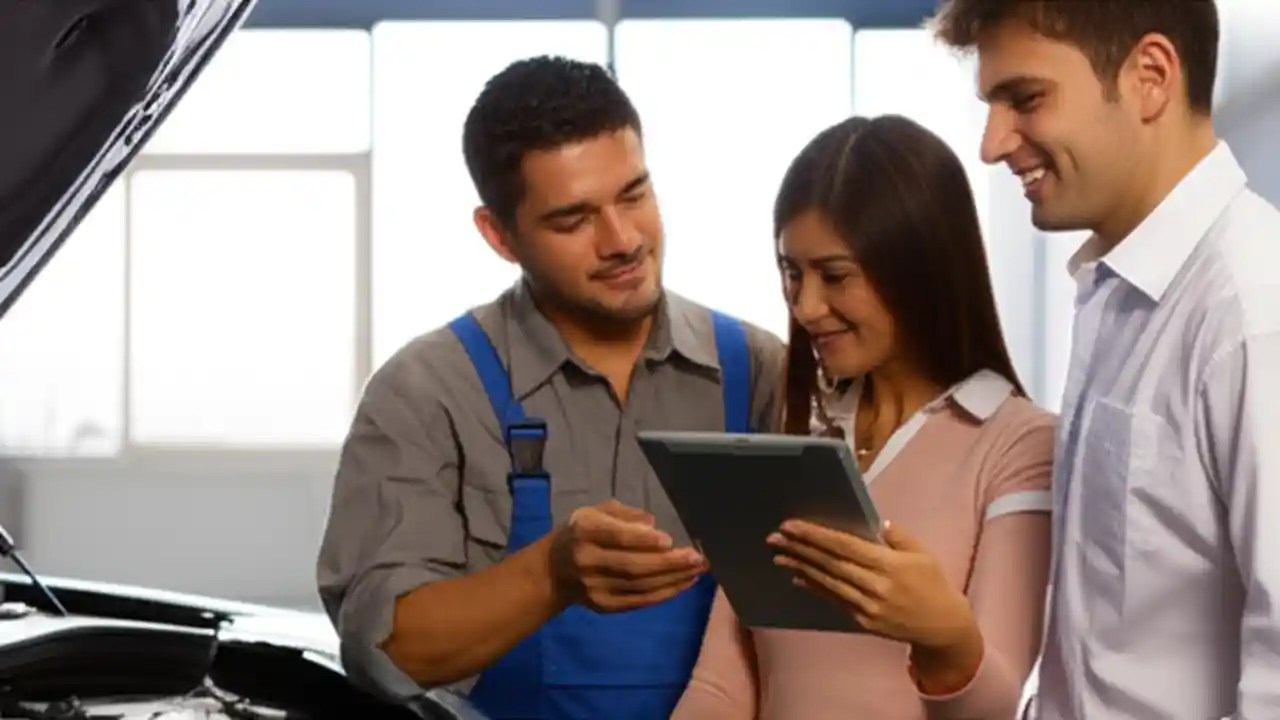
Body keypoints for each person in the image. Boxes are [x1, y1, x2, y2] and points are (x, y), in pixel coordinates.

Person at [315, 55, 785, 720]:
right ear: (498, 234)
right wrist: (550, 575)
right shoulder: (426, 393)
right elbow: (383, 650)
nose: (622, 240)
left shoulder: (764, 374)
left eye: (634, 195)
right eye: (573, 220)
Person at [933, 1, 1280, 717]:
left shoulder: (1252, 309)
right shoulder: (1115, 291)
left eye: (1025, 99)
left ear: (1151, 77)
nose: (992, 145)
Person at [670, 114, 1055, 719]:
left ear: (919, 268)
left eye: (835, 275)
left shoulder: (1019, 445)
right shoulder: (796, 446)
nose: (805, 305)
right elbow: (721, 686)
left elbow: (995, 708)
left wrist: (943, 634)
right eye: (791, 273)